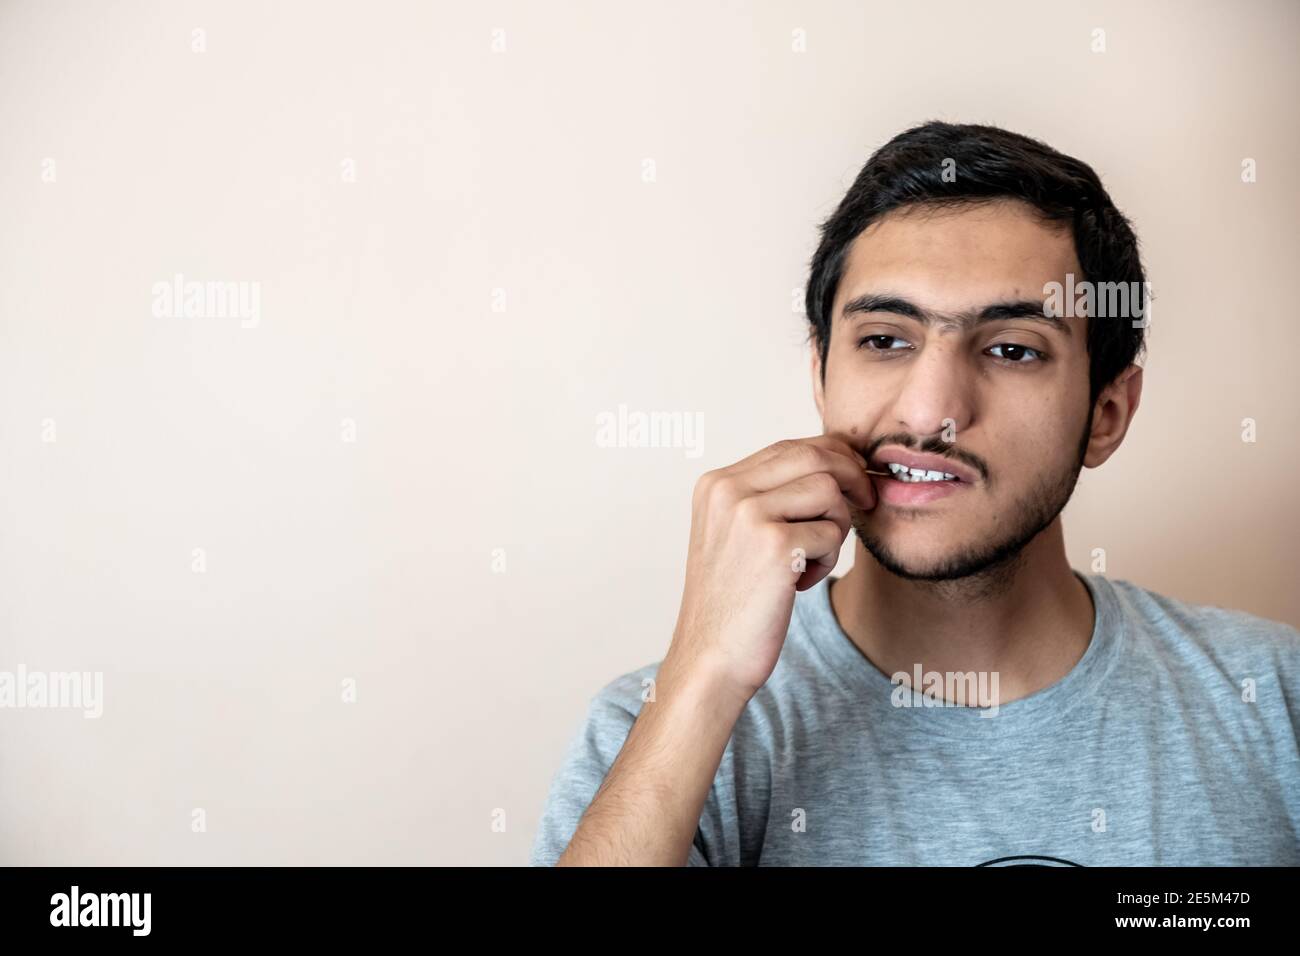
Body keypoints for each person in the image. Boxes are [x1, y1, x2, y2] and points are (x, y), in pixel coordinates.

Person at [530, 121, 1300, 866]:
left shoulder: (1275, 697)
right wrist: (701, 681)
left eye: (1010, 349)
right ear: (821, 376)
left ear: (1106, 415)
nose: (929, 410)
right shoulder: (655, 729)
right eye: (885, 340)